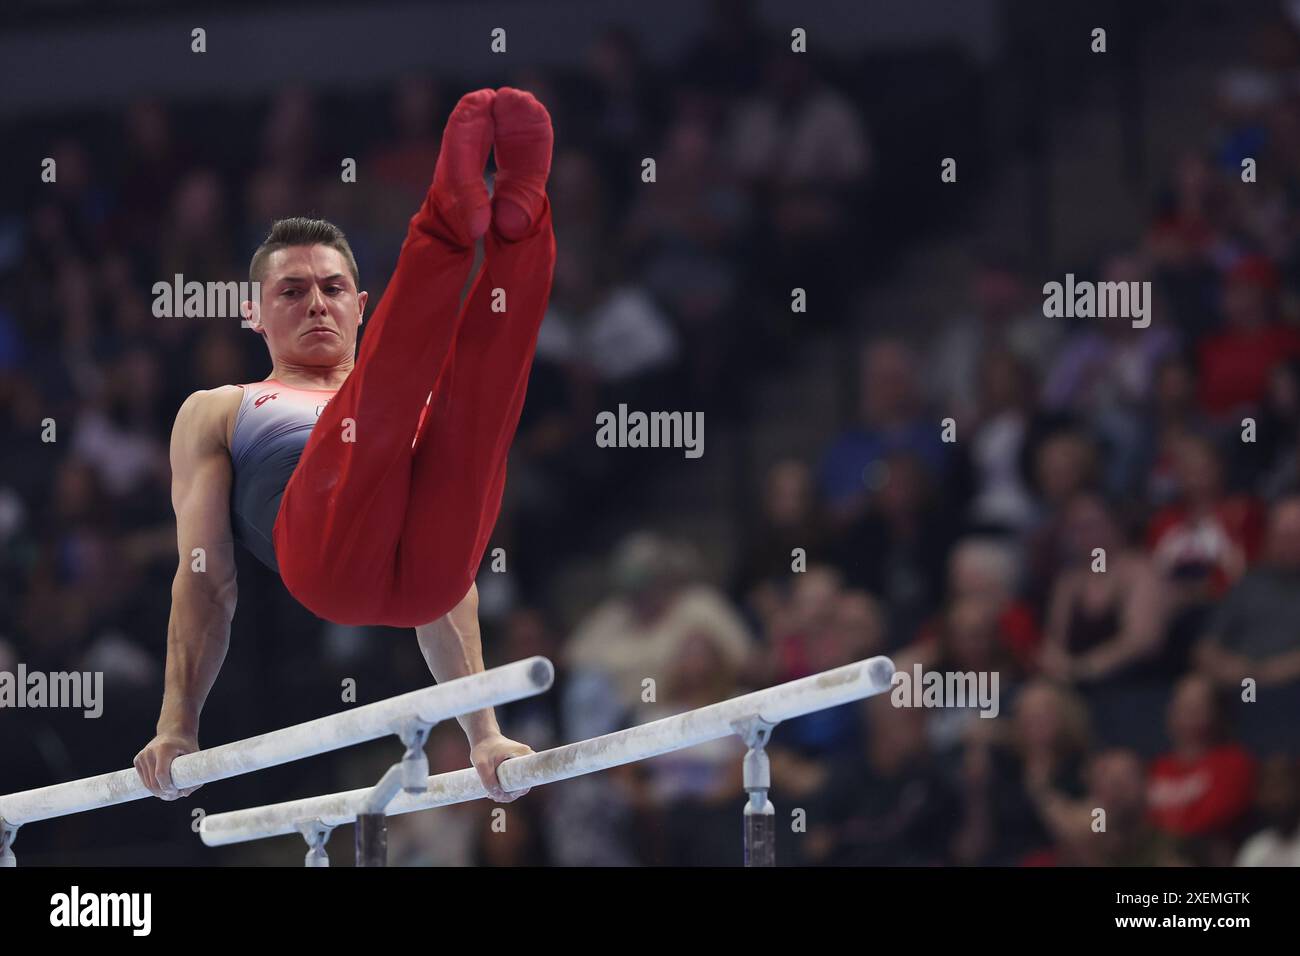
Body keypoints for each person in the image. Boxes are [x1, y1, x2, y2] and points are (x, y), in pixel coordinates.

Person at [133, 88, 555, 805]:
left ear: (362, 307)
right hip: (323, 560)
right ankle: (451, 221)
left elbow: (449, 596)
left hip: (430, 574)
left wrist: (484, 732)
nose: (318, 304)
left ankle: (519, 224)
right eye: (291, 291)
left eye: (333, 288)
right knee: (380, 409)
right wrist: (178, 724)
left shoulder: (406, 394)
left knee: (478, 409)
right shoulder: (222, 409)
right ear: (253, 315)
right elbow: (206, 576)